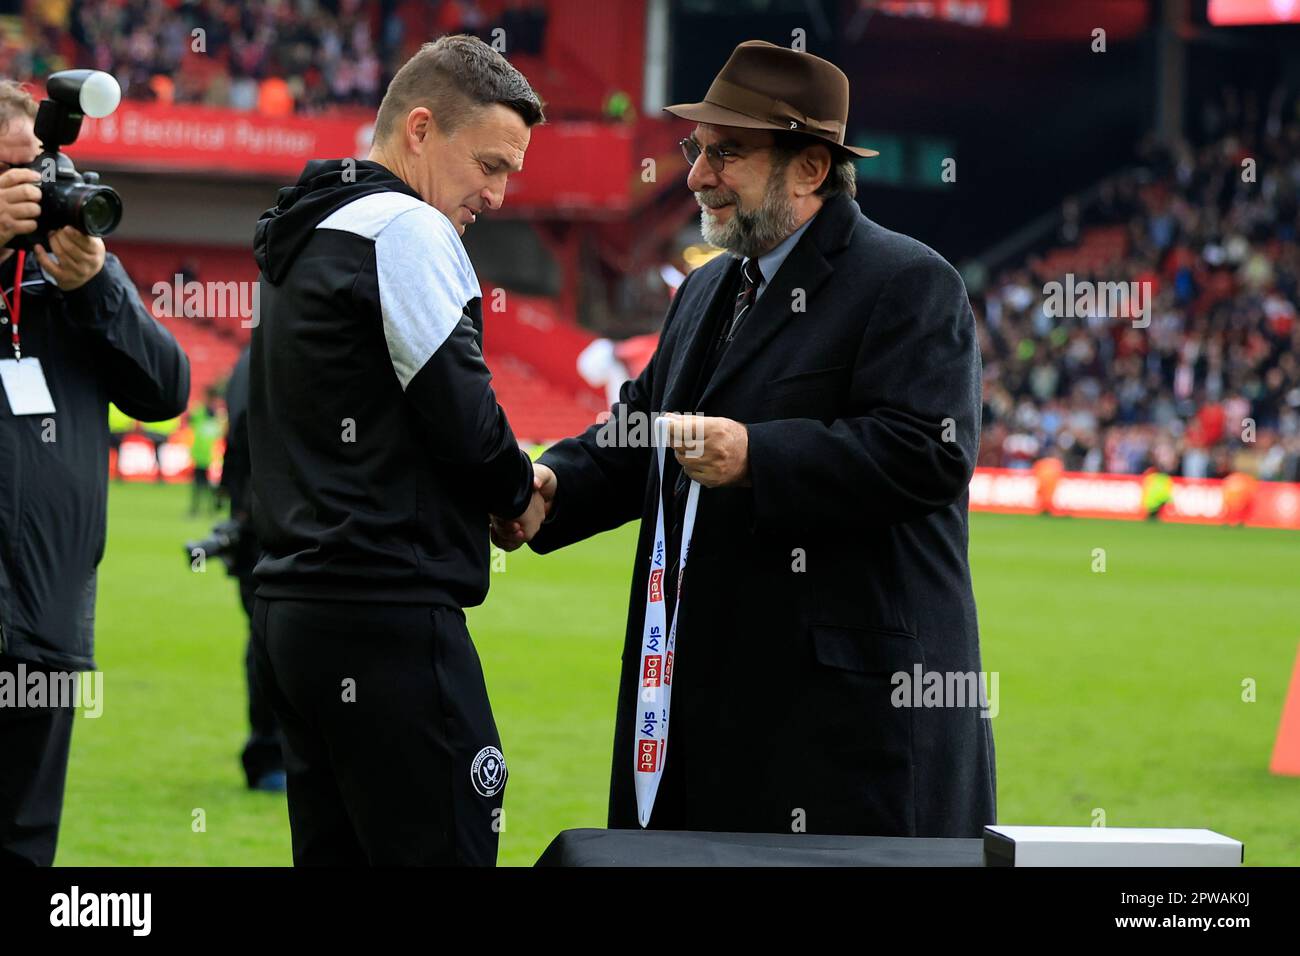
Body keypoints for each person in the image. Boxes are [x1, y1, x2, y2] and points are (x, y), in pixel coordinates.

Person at [496, 41, 996, 837]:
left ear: (809, 169)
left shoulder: (908, 281)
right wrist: (552, 487)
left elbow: (928, 453)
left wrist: (759, 456)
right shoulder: (706, 287)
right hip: (709, 702)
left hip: (843, 723)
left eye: (727, 152)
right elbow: (646, 427)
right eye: (699, 148)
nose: (696, 174)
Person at [248, 35, 546, 866]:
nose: (495, 194)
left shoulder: (307, 229)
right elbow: (466, 421)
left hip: (294, 614)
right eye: (489, 164)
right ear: (420, 129)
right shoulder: (404, 229)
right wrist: (519, 491)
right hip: (384, 615)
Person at [0, 79, 190, 866]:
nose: (32, 189)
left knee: (22, 846)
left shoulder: (70, 288)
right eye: (9, 172)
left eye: (39, 170)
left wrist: (98, 285)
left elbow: (166, 390)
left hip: (45, 624)